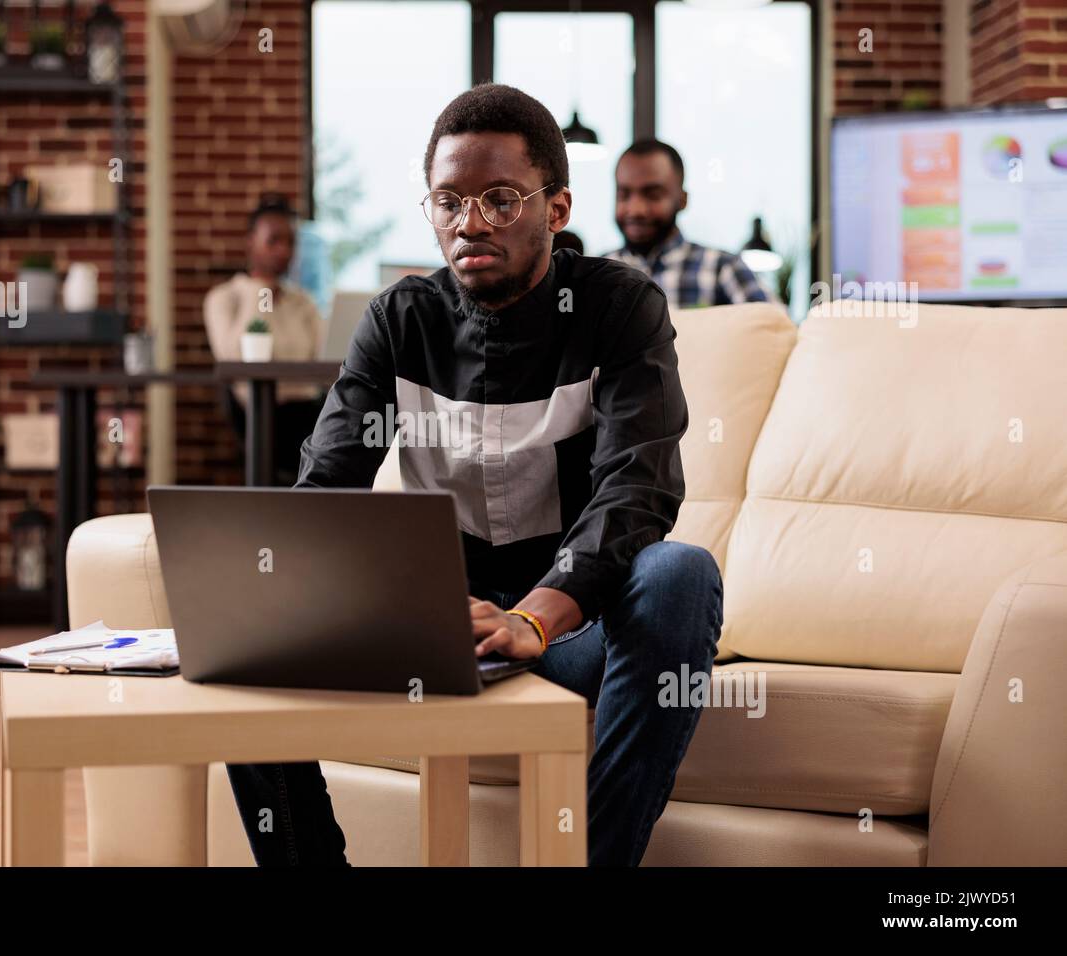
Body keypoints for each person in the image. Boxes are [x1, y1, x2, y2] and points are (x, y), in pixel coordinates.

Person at [225, 84, 723, 867]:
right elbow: (326, 490)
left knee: (680, 576)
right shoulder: (400, 320)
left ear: (556, 210)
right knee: (251, 611)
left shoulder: (618, 308)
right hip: (434, 630)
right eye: (449, 201)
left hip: (569, 631)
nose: (471, 223)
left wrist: (532, 618)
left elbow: (640, 488)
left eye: (500, 199)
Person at [203, 195, 326, 485]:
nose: (284, 250)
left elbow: (320, 357)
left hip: (310, 410)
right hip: (261, 416)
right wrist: (259, 290)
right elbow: (233, 357)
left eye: (291, 242)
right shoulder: (225, 298)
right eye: (273, 240)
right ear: (250, 242)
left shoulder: (303, 303)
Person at [603, 139, 771, 308]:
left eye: (653, 195)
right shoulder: (598, 273)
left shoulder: (722, 269)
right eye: (624, 195)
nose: (636, 210)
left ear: (682, 200)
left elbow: (771, 326)